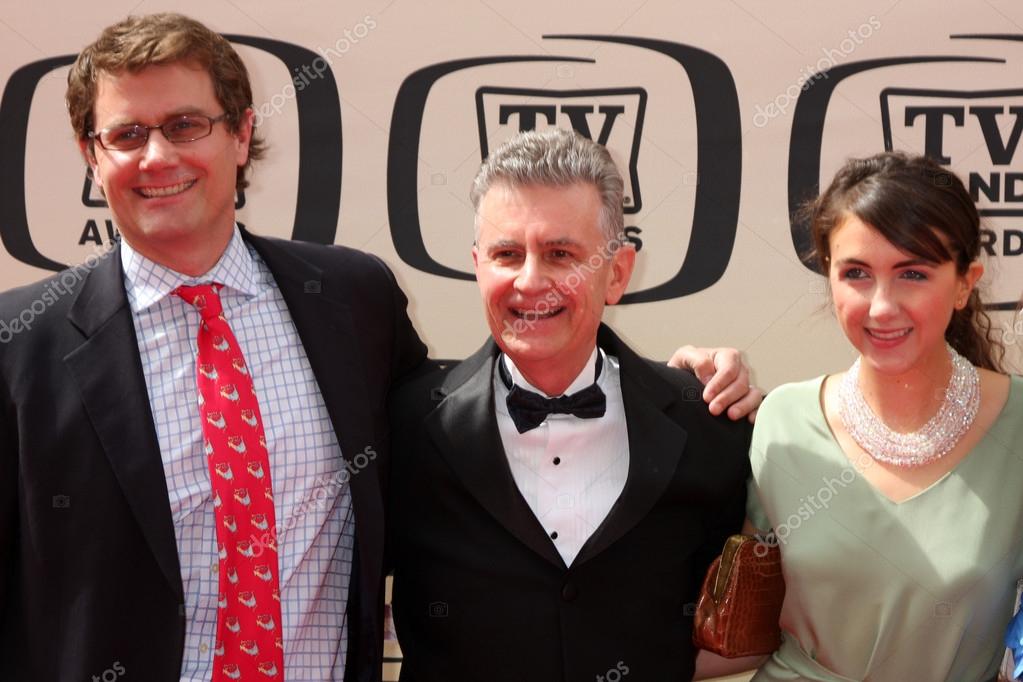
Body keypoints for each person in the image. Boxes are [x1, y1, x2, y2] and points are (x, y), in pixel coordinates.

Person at [0, 13, 759, 681]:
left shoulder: (349, 302)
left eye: (185, 124)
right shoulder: (18, 348)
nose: (158, 156)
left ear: (241, 133)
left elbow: (479, 396)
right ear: (91, 154)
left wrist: (678, 380)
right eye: (127, 134)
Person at [387, 128, 753, 682]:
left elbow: (767, 615)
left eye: (560, 254)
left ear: (617, 273)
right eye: (507, 254)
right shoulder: (402, 426)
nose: (530, 280)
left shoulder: (707, 427)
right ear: (478, 266)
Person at [746, 151, 1022, 681]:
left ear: (965, 283)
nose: (881, 307)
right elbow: (734, 619)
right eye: (856, 273)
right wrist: (675, 385)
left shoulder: (1017, 424)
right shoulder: (783, 420)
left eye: (912, 273)